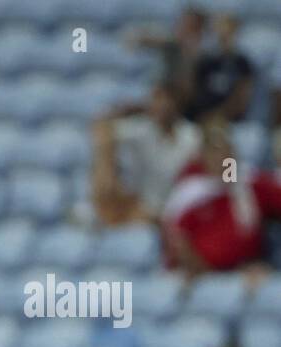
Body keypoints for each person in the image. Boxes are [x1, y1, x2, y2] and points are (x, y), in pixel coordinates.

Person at [162, 121, 281, 275]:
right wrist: (200, 268)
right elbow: (174, 239)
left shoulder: (249, 183)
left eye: (226, 152)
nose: (222, 158)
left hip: (247, 271)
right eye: (215, 152)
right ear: (203, 156)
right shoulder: (190, 192)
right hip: (199, 275)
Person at [91, 83, 201, 226]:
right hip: (145, 204)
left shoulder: (192, 135)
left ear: (178, 105)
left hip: (178, 205)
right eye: (158, 101)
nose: (163, 107)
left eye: (168, 102)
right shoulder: (141, 128)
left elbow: (217, 164)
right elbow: (102, 130)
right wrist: (109, 170)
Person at [188, 14, 254, 122]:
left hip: (232, 121)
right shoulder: (206, 61)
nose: (224, 37)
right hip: (203, 118)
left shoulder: (242, 63)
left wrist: (220, 115)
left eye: (228, 33)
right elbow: (195, 91)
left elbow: (242, 99)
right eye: (220, 32)